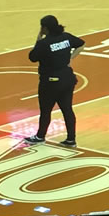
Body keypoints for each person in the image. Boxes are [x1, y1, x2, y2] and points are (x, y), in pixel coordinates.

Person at [26, 15, 84, 146]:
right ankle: (71, 139)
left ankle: (40, 136)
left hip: (50, 82)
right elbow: (81, 44)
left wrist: (38, 39)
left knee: (46, 110)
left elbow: (32, 57)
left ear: (44, 28)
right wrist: (70, 58)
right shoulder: (66, 37)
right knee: (67, 109)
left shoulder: (44, 44)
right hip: (67, 78)